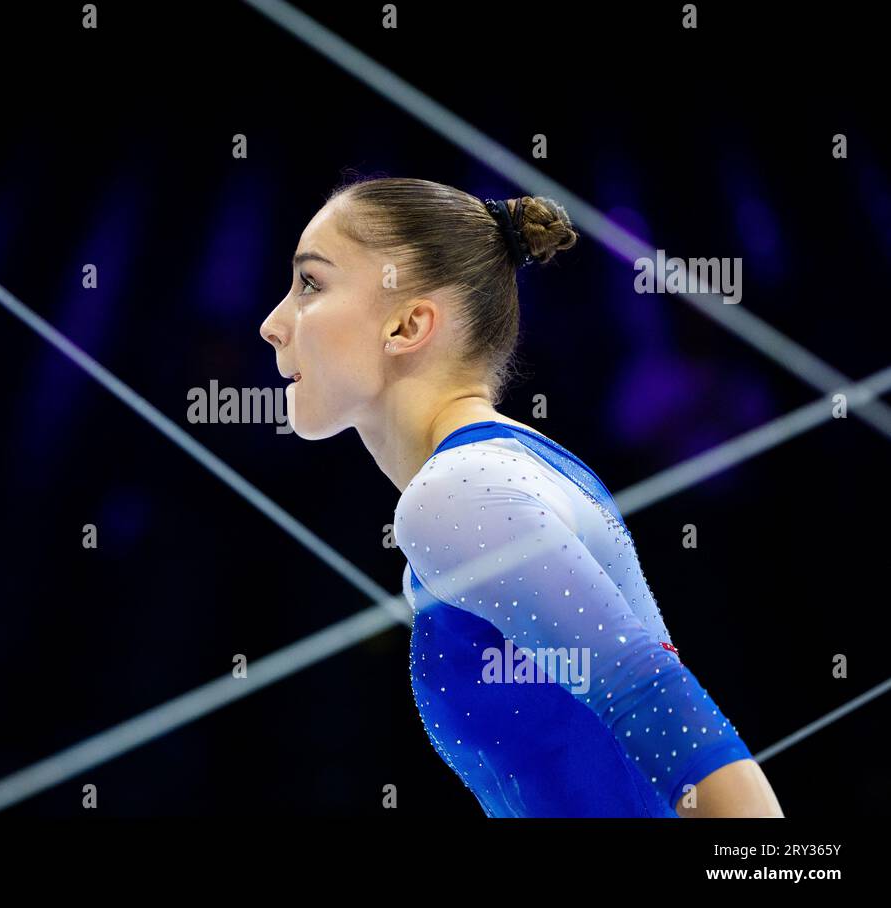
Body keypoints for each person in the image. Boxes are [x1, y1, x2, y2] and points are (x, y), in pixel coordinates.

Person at [258, 176, 783, 817]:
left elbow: (661, 707)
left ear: (406, 323)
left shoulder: (456, 494)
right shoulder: (511, 470)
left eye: (310, 284)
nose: (272, 324)